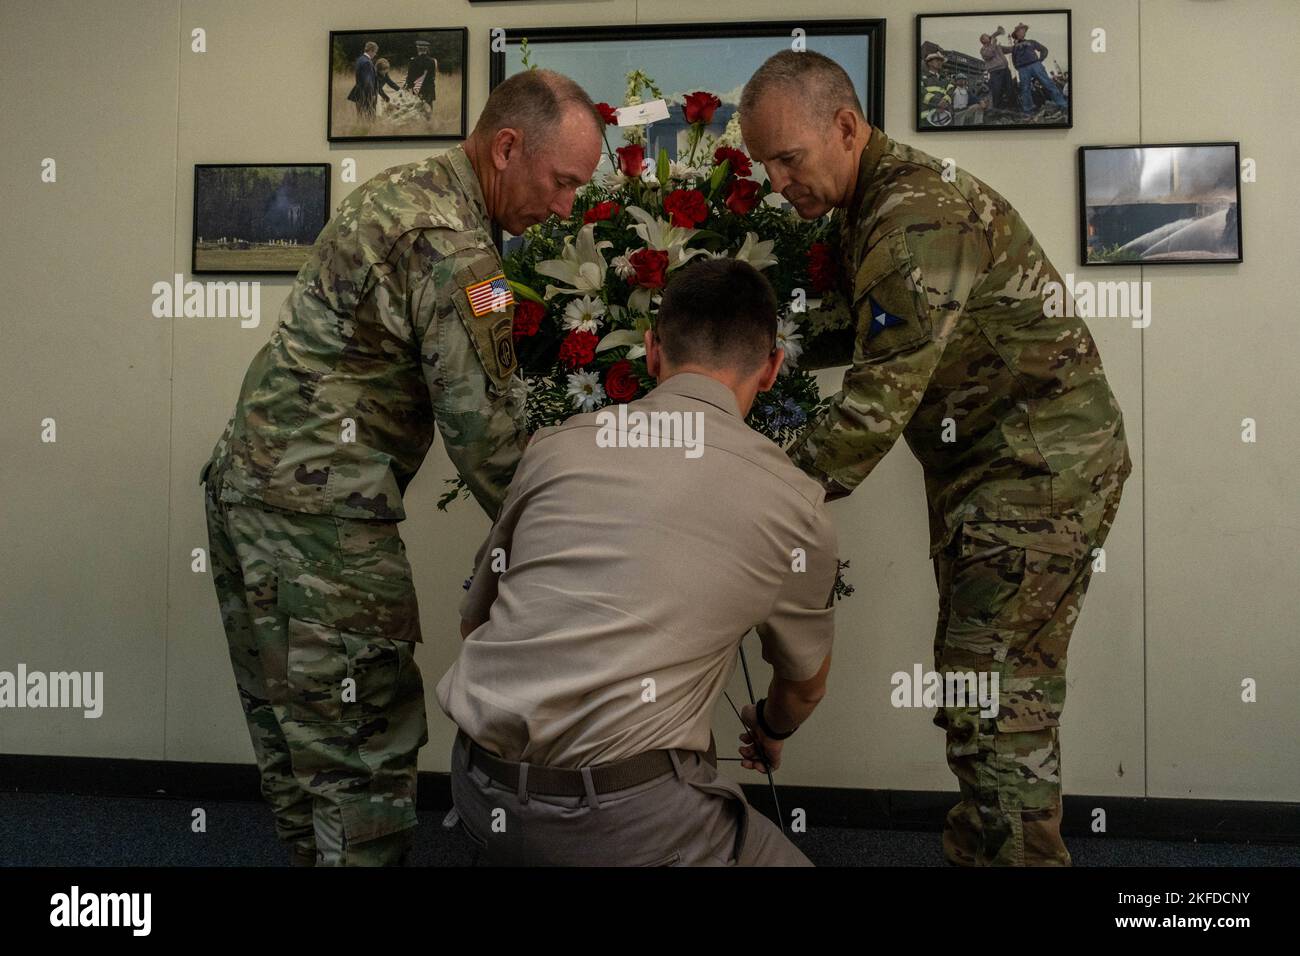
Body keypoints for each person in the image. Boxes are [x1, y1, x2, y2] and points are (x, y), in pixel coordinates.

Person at [200, 69, 604, 866]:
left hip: (248, 497)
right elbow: (485, 437)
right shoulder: (458, 249)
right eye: (561, 183)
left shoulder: (399, 191)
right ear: (507, 146)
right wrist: (579, 553)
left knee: (301, 745)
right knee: (362, 752)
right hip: (320, 526)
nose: (564, 208)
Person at [740, 50, 1130, 866]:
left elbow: (874, 409)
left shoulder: (915, 217)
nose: (778, 181)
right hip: (998, 473)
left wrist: (737, 494)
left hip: (1033, 476)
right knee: (981, 689)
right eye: (764, 164)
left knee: (992, 702)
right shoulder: (874, 205)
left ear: (845, 127)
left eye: (788, 158)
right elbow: (863, 337)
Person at [438, 258, 839, 866]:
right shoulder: (794, 502)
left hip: (477, 785)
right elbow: (805, 688)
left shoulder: (555, 446)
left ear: (651, 350)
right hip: (628, 818)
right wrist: (770, 727)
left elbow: (475, 623)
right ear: (773, 367)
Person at [1007, 22, 1068, 114]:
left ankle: (1062, 104)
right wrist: (1019, 68)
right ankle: (1028, 109)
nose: (1022, 32)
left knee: (1048, 83)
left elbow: (1044, 49)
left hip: (1035, 65)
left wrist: (1040, 60)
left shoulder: (1031, 42)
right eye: (1020, 30)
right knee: (1025, 89)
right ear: (1016, 33)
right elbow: (1014, 60)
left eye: (1024, 30)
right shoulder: (1014, 47)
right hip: (1023, 69)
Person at [979, 28, 1014, 111]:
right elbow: (989, 54)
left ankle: (1011, 107)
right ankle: (997, 109)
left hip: (1005, 69)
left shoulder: (997, 46)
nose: (989, 36)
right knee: (997, 90)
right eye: (986, 36)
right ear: (983, 40)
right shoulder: (983, 50)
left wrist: (1015, 46)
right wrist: (994, 43)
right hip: (995, 72)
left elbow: (1008, 49)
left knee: (1009, 88)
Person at [346, 41, 380, 119]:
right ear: (371, 50)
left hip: (359, 93)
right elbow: (367, 81)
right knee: (370, 118)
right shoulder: (367, 62)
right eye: (375, 52)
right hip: (366, 94)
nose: (375, 54)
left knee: (361, 117)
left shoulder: (360, 59)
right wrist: (371, 96)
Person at [919, 51, 954, 126]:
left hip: (944, 117)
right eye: (937, 60)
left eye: (941, 61)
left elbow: (951, 92)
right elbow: (921, 93)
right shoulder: (922, 77)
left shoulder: (946, 80)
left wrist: (945, 101)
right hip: (926, 119)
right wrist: (938, 102)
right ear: (929, 63)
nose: (940, 62)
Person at [404, 38, 438, 108]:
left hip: (417, 88)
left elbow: (410, 76)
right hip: (429, 88)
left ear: (418, 49)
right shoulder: (433, 61)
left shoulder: (413, 61)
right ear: (426, 49)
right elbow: (433, 76)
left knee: (417, 108)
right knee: (428, 108)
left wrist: (408, 87)